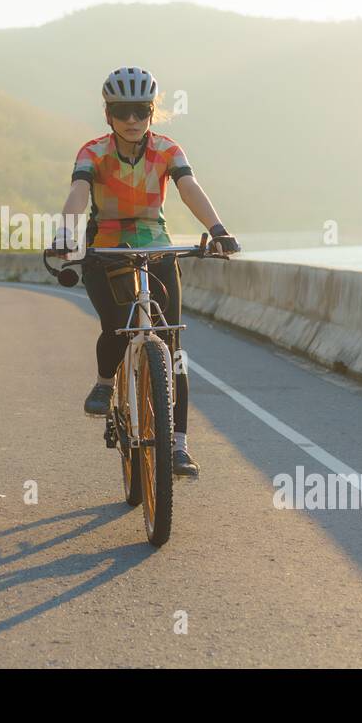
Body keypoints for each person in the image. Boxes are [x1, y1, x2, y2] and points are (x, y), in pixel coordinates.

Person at [51, 66, 239, 478]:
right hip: (107, 247)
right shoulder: (93, 152)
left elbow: (189, 187)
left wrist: (218, 230)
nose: (132, 120)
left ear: (153, 112)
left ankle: (178, 445)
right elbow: (79, 193)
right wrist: (67, 234)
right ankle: (104, 383)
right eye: (123, 112)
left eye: (141, 110)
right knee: (117, 325)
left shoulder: (169, 151)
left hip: (156, 245)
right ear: (108, 115)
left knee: (171, 346)